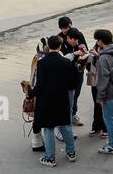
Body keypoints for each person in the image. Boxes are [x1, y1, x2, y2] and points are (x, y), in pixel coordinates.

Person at [29, 36, 80, 167]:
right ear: (60, 46)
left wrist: (31, 94)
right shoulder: (66, 62)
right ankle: (71, 152)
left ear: (48, 47)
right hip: (62, 98)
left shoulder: (42, 63)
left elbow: (39, 85)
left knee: (48, 128)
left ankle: (50, 157)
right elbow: (72, 83)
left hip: (46, 100)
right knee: (65, 126)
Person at [92, 29, 113, 153]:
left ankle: (112, 145)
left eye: (97, 40)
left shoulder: (103, 58)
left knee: (108, 119)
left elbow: (103, 81)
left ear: (101, 41)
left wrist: (100, 97)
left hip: (108, 94)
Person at [58, 16, 89, 128]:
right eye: (63, 29)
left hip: (78, 70)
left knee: (76, 93)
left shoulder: (78, 34)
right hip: (66, 73)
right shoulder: (59, 39)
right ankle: (66, 118)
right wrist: (74, 55)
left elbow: (86, 51)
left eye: (68, 27)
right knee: (67, 96)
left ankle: (73, 114)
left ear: (72, 24)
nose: (66, 30)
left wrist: (84, 59)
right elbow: (60, 58)